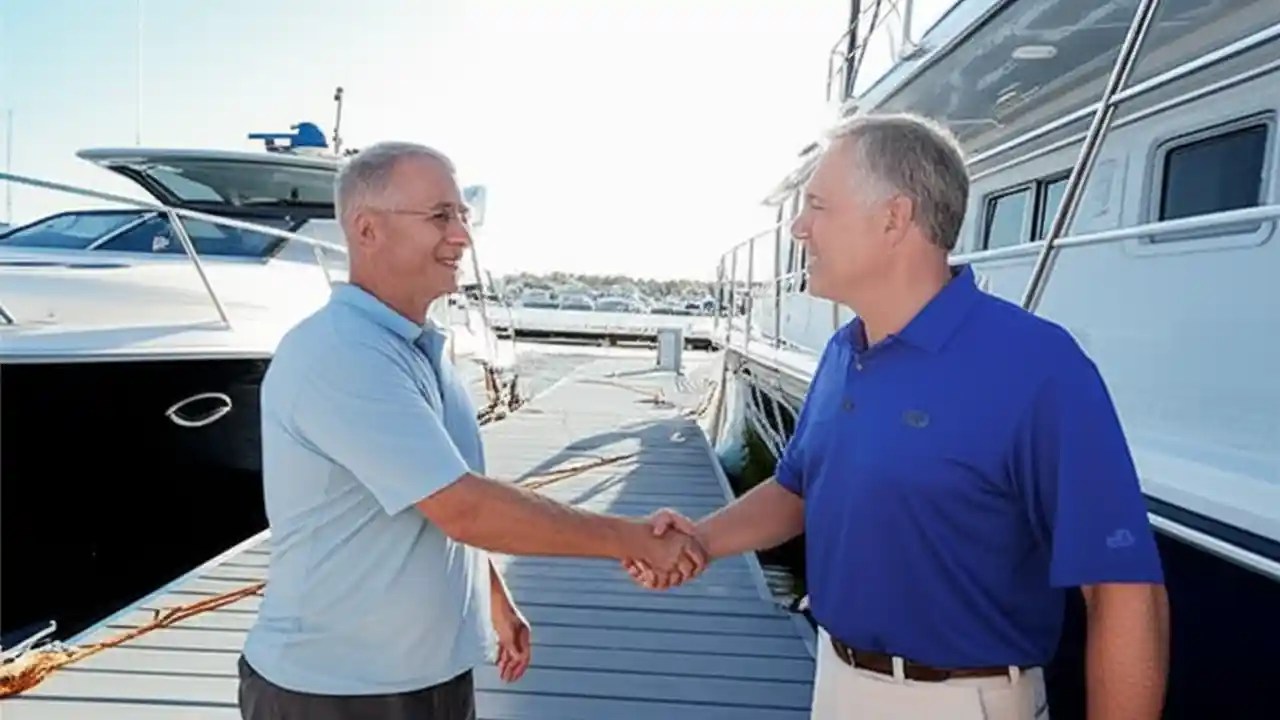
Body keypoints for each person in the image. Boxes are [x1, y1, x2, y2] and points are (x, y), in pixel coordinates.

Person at [629, 113, 1170, 719]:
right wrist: (701, 539)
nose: (800, 229)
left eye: (817, 206)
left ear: (894, 217)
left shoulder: (1038, 366)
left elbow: (1123, 589)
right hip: (834, 683)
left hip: (967, 702)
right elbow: (799, 489)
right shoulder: (842, 351)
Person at [237, 140, 706, 720]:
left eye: (462, 215)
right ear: (366, 230)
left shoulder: (419, 351)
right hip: (335, 691)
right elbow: (464, 508)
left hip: (430, 677)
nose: (462, 236)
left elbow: (435, 496)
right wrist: (631, 540)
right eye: (440, 216)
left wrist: (492, 598)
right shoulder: (341, 353)